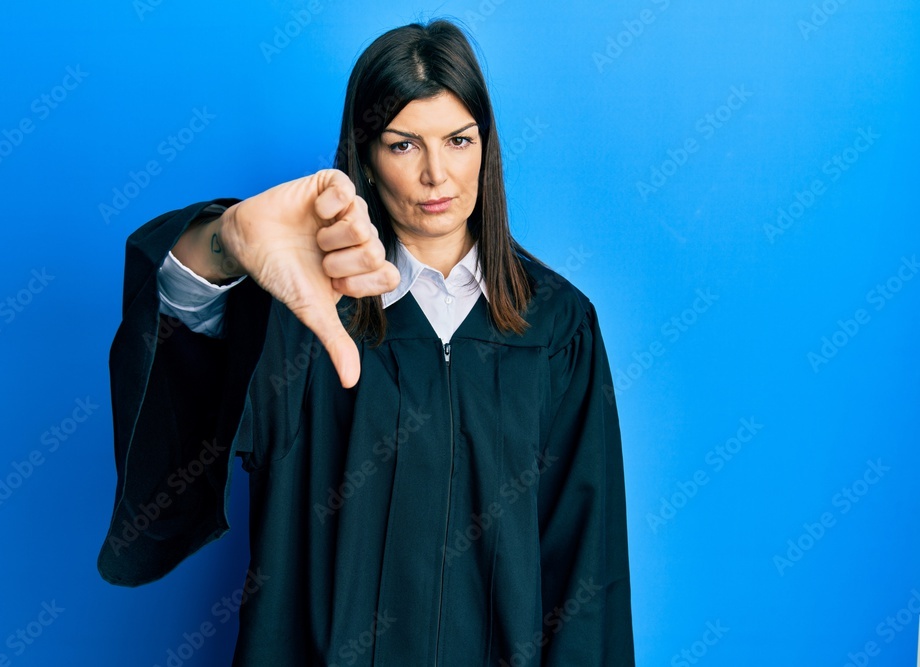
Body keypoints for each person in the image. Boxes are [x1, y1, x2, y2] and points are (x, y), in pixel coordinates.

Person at [97, 17, 635, 666]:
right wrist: (226, 241)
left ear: (486, 148)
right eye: (403, 145)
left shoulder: (556, 327)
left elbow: (587, 565)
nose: (436, 174)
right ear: (367, 158)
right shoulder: (308, 309)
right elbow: (186, 367)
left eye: (458, 140)